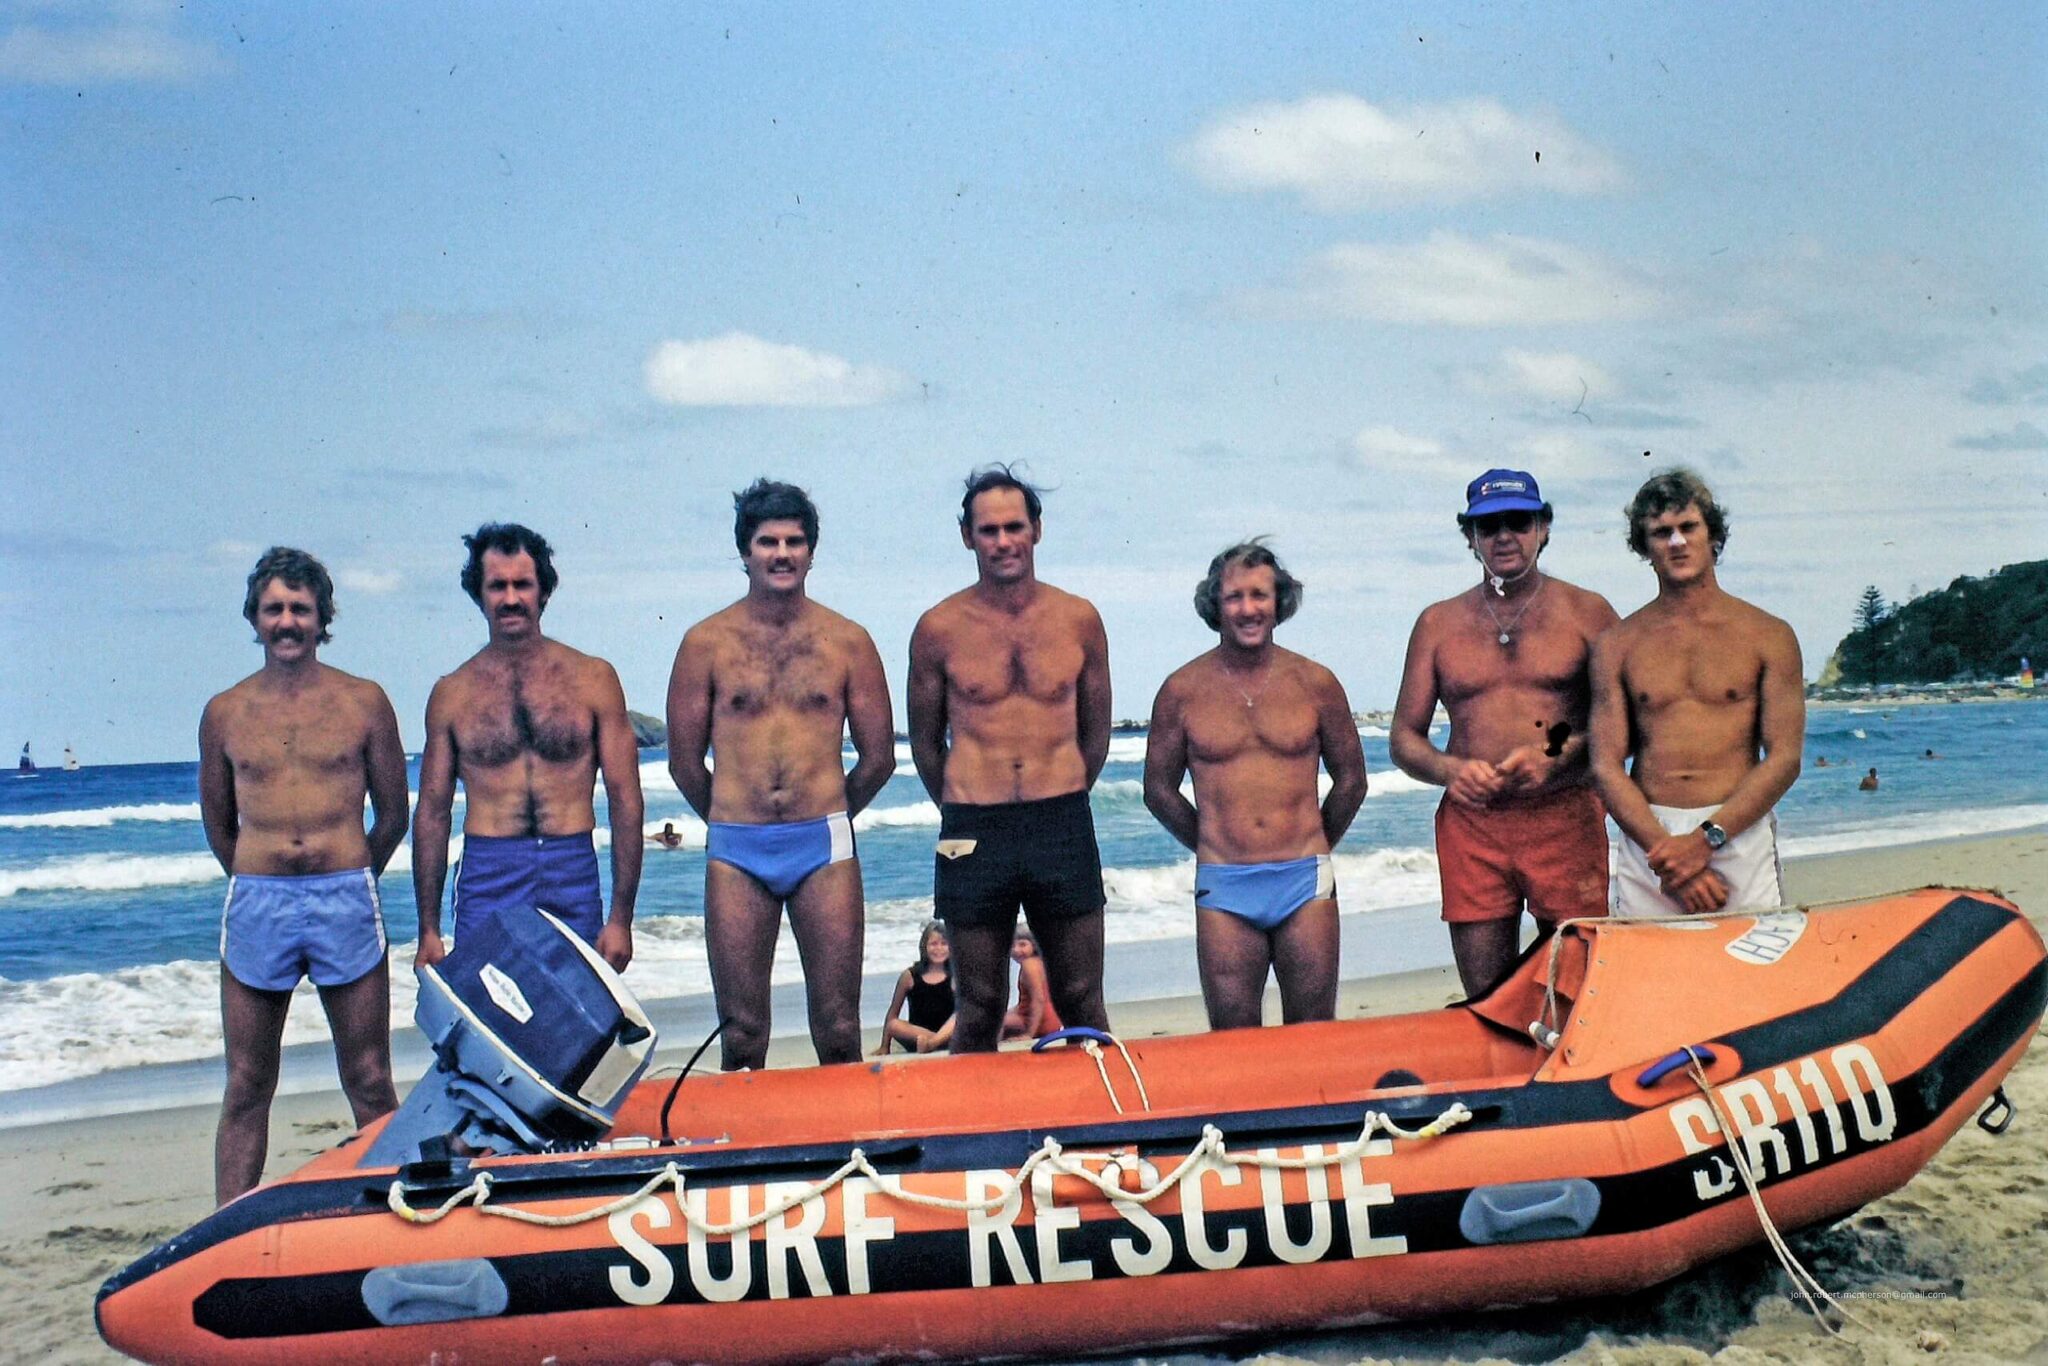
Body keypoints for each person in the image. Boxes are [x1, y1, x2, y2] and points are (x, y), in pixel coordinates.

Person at [199, 548, 407, 1204]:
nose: (286, 621)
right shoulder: (225, 712)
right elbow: (218, 823)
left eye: (300, 609)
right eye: (273, 609)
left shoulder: (364, 701)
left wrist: (345, 871)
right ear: (254, 619)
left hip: (345, 896)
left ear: (322, 619)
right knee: (247, 1083)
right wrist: (265, 873)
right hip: (259, 902)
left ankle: (399, 1211)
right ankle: (225, 1226)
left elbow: (394, 814)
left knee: (370, 1077)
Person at [666, 479, 894, 1069]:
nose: (782, 553)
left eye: (794, 541)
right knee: (741, 1034)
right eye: (768, 542)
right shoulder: (705, 643)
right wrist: (732, 820)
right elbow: (685, 763)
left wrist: (829, 816)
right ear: (745, 552)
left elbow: (879, 758)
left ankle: (850, 1154)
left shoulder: (847, 641)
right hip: (737, 849)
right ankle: (748, 1160)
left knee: (840, 1028)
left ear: (812, 551)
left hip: (823, 843)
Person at [1389, 471, 1622, 998]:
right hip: (1474, 825)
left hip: (1566, 815)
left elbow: (1622, 720)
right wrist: (1450, 770)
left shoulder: (1588, 612)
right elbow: (1404, 738)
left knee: (1578, 989)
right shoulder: (1438, 623)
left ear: (1542, 527)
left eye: (1517, 522)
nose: (1503, 536)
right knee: (1488, 996)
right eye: (1487, 526)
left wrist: (1556, 754)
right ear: (1470, 537)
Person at [908, 465, 1113, 1052]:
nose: (1003, 541)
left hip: (1060, 821)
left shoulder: (1078, 619)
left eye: (1014, 527)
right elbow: (925, 744)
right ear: (967, 536)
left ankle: (1101, 1126)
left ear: (1037, 531)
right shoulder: (938, 628)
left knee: (1081, 994)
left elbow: (1094, 732)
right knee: (979, 1002)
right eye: (989, 529)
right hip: (975, 828)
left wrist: (1063, 788)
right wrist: (966, 803)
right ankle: (974, 1138)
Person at [1145, 541, 1367, 1027]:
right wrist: (1210, 840)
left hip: (1303, 881)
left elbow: (1351, 779)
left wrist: (1316, 844)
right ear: (1215, 605)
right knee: (1234, 1042)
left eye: (1259, 596)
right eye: (1234, 598)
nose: (1248, 609)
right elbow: (1158, 790)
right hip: (1225, 886)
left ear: (1279, 601)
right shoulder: (1182, 689)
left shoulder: (1315, 682)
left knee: (1312, 1034)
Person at [414, 524, 642, 971]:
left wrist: (621, 918)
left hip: (570, 866)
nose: (511, 598)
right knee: (488, 1015)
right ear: (478, 594)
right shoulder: (452, 694)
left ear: (544, 592)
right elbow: (432, 812)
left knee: (578, 1018)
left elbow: (626, 798)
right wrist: (427, 929)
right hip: (489, 870)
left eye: (523, 584)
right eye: (497, 586)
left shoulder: (593, 678)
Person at [1591, 469, 1804, 916]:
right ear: (1644, 546)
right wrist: (1670, 857)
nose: (1676, 542)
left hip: (1736, 829)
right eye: (1660, 533)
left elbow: (1784, 757)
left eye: (1688, 527)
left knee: (1751, 975)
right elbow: (1606, 765)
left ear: (1713, 535)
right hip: (1652, 839)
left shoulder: (1768, 634)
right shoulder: (1618, 643)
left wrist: (1706, 840)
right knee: (1649, 979)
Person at [876, 921, 956, 1055]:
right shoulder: (910, 976)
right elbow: (893, 1013)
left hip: (949, 1034)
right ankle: (932, 1043)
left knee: (961, 1015)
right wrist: (885, 1046)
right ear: (924, 946)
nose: (939, 949)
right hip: (917, 1038)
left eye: (944, 944)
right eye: (933, 944)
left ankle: (933, 1043)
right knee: (894, 1024)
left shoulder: (956, 975)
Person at [1001, 929, 1064, 1040]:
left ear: (1034, 945)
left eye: (1022, 945)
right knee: (999, 1017)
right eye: (1012, 946)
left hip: (1041, 1022)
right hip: (1054, 1020)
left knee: (992, 1023)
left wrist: (1029, 1035)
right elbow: (1025, 1003)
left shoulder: (1029, 965)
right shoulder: (1040, 962)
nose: (1016, 950)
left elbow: (1039, 1000)